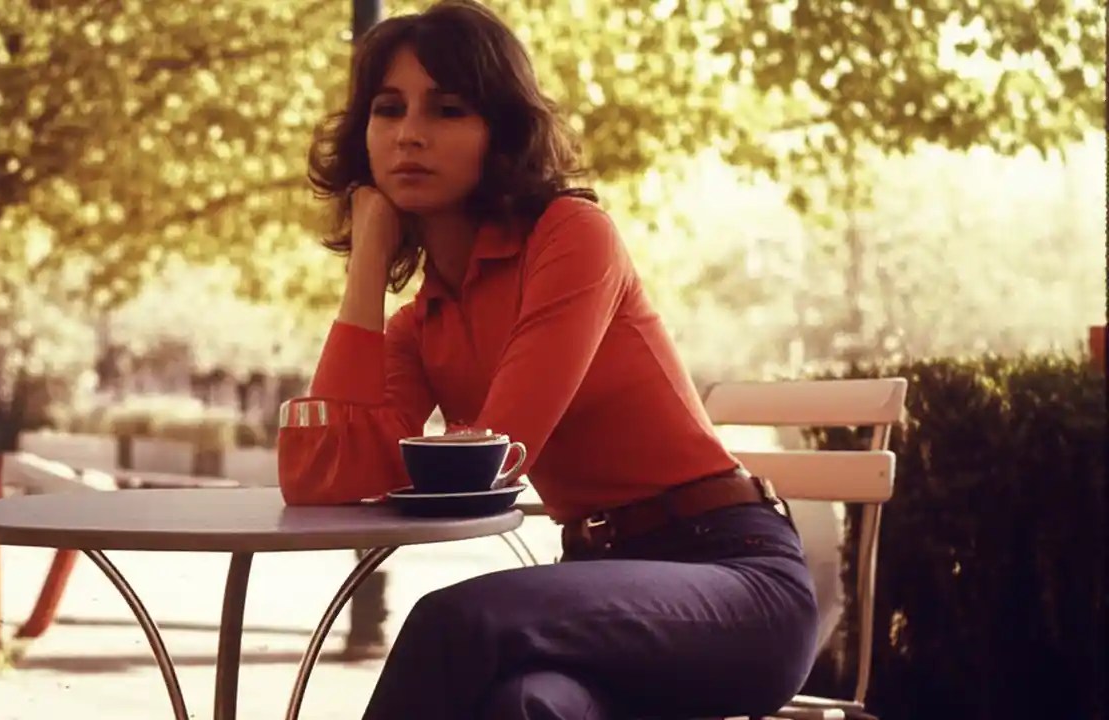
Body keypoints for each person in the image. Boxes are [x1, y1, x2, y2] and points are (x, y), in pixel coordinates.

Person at [277, 2, 819, 718]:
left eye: (448, 110)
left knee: (452, 622)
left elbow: (500, 451)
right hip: (601, 590)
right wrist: (367, 265)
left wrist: (404, 458)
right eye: (388, 109)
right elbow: (320, 477)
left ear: (499, 131)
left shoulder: (572, 236)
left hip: (733, 579)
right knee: (526, 706)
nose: (410, 133)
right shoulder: (420, 326)